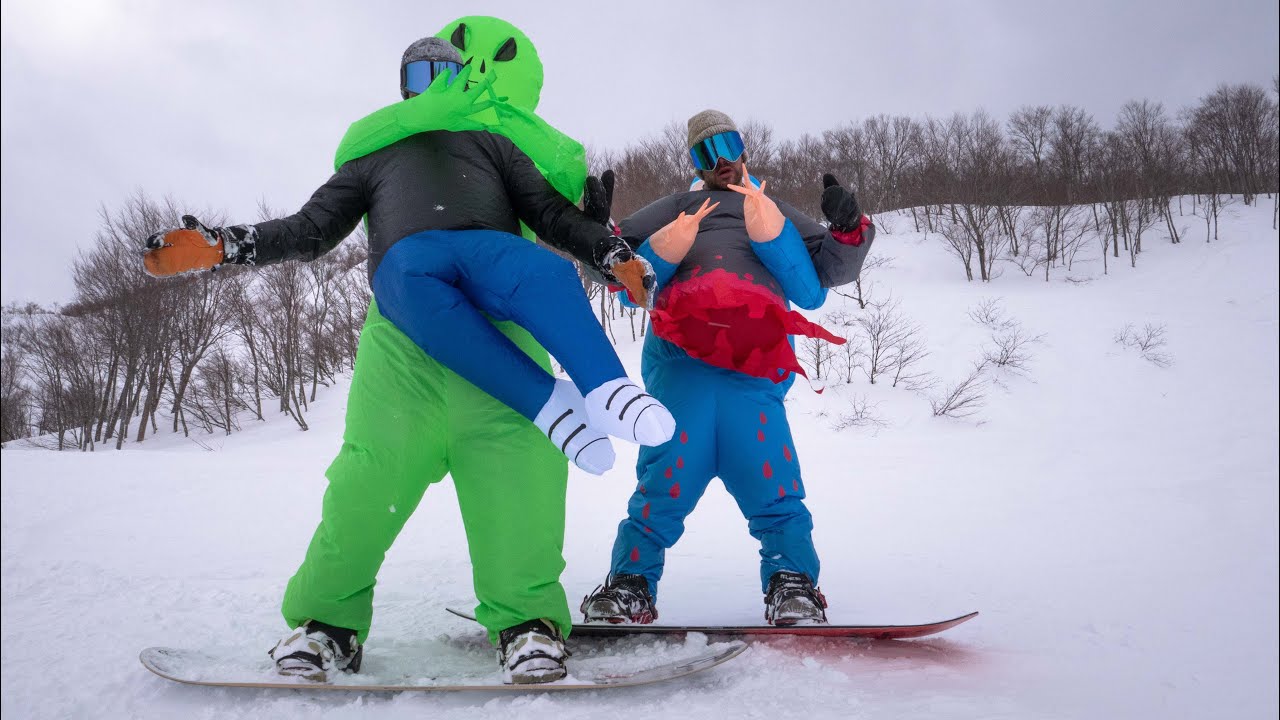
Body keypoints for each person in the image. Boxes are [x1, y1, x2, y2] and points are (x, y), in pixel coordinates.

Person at [142, 18, 655, 684]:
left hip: (502, 343)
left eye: (445, 73)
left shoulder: (496, 146)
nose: (433, 87)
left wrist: (603, 243)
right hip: (404, 353)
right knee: (366, 485)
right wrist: (227, 245)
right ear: (402, 90)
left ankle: (527, 623)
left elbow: (549, 218)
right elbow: (310, 229)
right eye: (419, 76)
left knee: (522, 481)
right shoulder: (375, 157)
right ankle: (326, 625)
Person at [579, 109, 876, 626]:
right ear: (695, 163)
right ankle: (629, 584)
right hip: (682, 369)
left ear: (744, 148)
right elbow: (612, 263)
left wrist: (849, 229)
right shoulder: (676, 207)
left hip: (754, 374)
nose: (721, 160)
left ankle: (792, 583)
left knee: (773, 483)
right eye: (706, 152)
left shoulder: (771, 210)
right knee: (662, 484)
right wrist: (595, 229)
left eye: (728, 145)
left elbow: (830, 270)